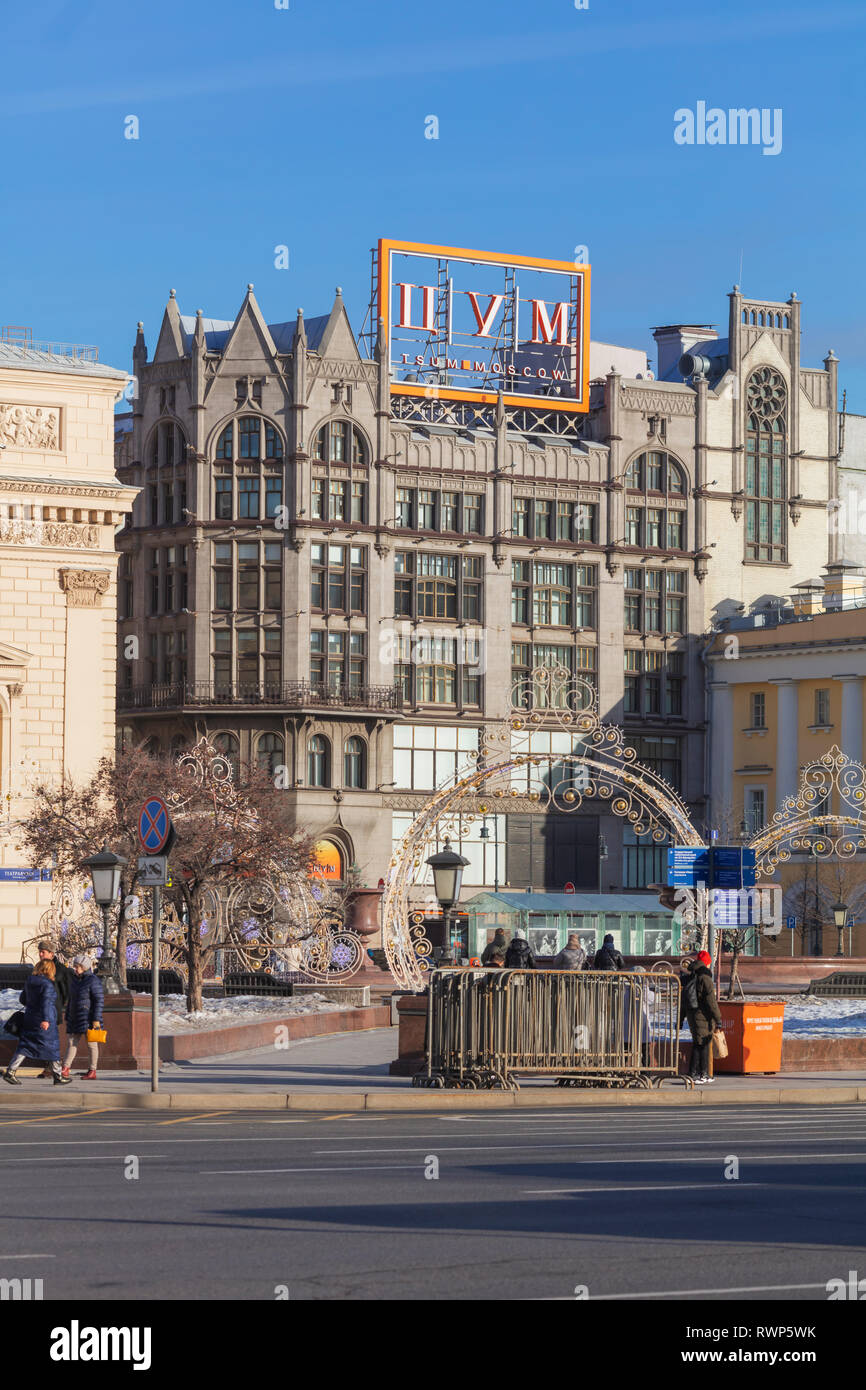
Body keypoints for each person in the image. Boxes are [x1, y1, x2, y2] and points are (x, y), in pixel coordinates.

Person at [3, 960, 72, 1086]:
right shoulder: (47, 984)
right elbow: (46, 1003)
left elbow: (22, 999)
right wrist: (45, 1019)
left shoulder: (30, 982)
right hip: (44, 1020)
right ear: (49, 970)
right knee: (52, 1046)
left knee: (25, 1046)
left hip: (30, 1018)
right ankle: (58, 1076)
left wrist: (33, 1006)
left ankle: (10, 1072)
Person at [679, 950, 723, 1084]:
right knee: (701, 1044)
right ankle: (697, 1074)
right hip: (702, 1015)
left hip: (692, 1014)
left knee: (700, 1043)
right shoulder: (705, 977)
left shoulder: (691, 975)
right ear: (707, 963)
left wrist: (680, 1019)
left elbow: (683, 1000)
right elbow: (711, 1001)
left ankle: (701, 1073)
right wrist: (718, 1018)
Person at [62, 954, 104, 1081]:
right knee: (71, 1043)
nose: (76, 969)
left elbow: (99, 1001)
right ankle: (65, 1068)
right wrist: (68, 1015)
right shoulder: (74, 980)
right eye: (75, 966)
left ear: (85, 967)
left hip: (89, 1018)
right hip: (75, 1017)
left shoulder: (93, 980)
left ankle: (92, 1070)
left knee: (91, 1045)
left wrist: (96, 1019)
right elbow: (71, 1000)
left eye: (78, 966)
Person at [34, 940, 72, 1078]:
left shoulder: (61, 969)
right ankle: (51, 1067)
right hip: (39, 1010)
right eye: (39, 951)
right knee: (43, 1040)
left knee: (50, 1040)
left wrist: (60, 1004)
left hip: (52, 1010)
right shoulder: (38, 967)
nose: (40, 954)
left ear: (51, 953)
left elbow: (66, 991)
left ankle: (51, 1069)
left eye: (43, 951)